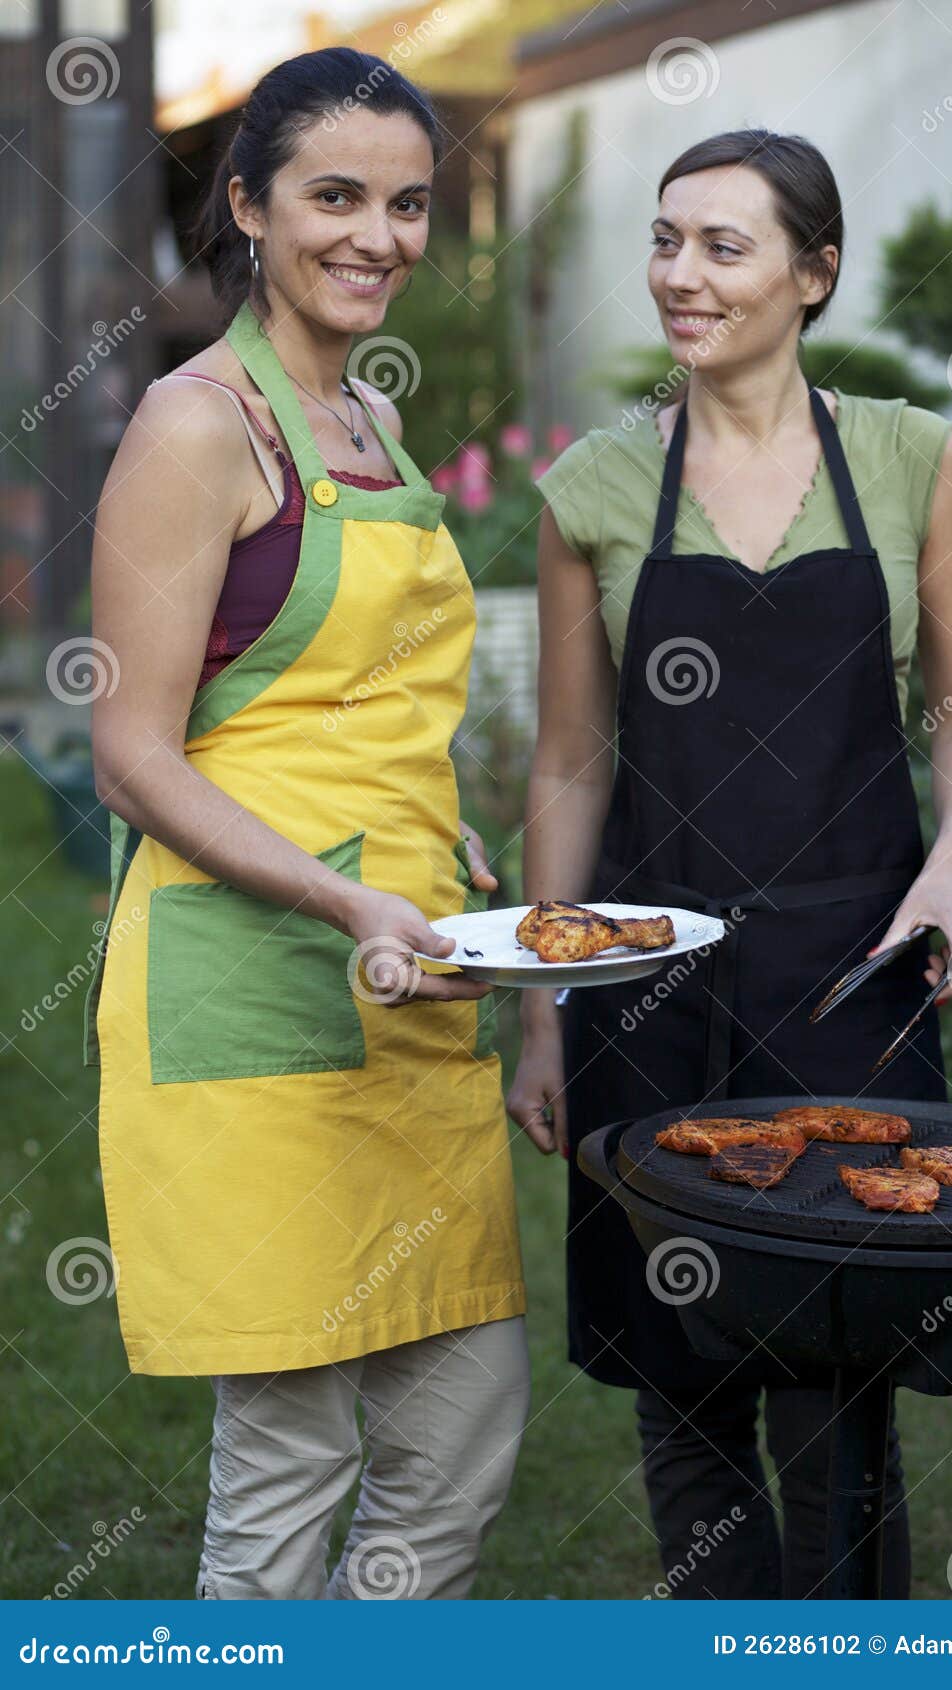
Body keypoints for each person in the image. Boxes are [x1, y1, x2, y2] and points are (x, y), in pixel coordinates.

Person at [507, 129, 952, 1599]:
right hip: (648, 990)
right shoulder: (590, 487)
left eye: (723, 246)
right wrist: (543, 1003)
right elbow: (569, 764)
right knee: (686, 1380)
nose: (679, 274)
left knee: (838, 1370)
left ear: (814, 274)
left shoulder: (912, 457)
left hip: (853, 975)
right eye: (666, 241)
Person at [84, 47, 528, 1601]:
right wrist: (350, 903)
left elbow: (354, 714)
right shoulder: (199, 429)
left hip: (416, 987)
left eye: (407, 203)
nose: (379, 236)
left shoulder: (369, 426)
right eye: (334, 196)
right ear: (250, 206)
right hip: (267, 983)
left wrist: (443, 843)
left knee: (459, 1446)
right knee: (286, 1474)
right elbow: (134, 755)